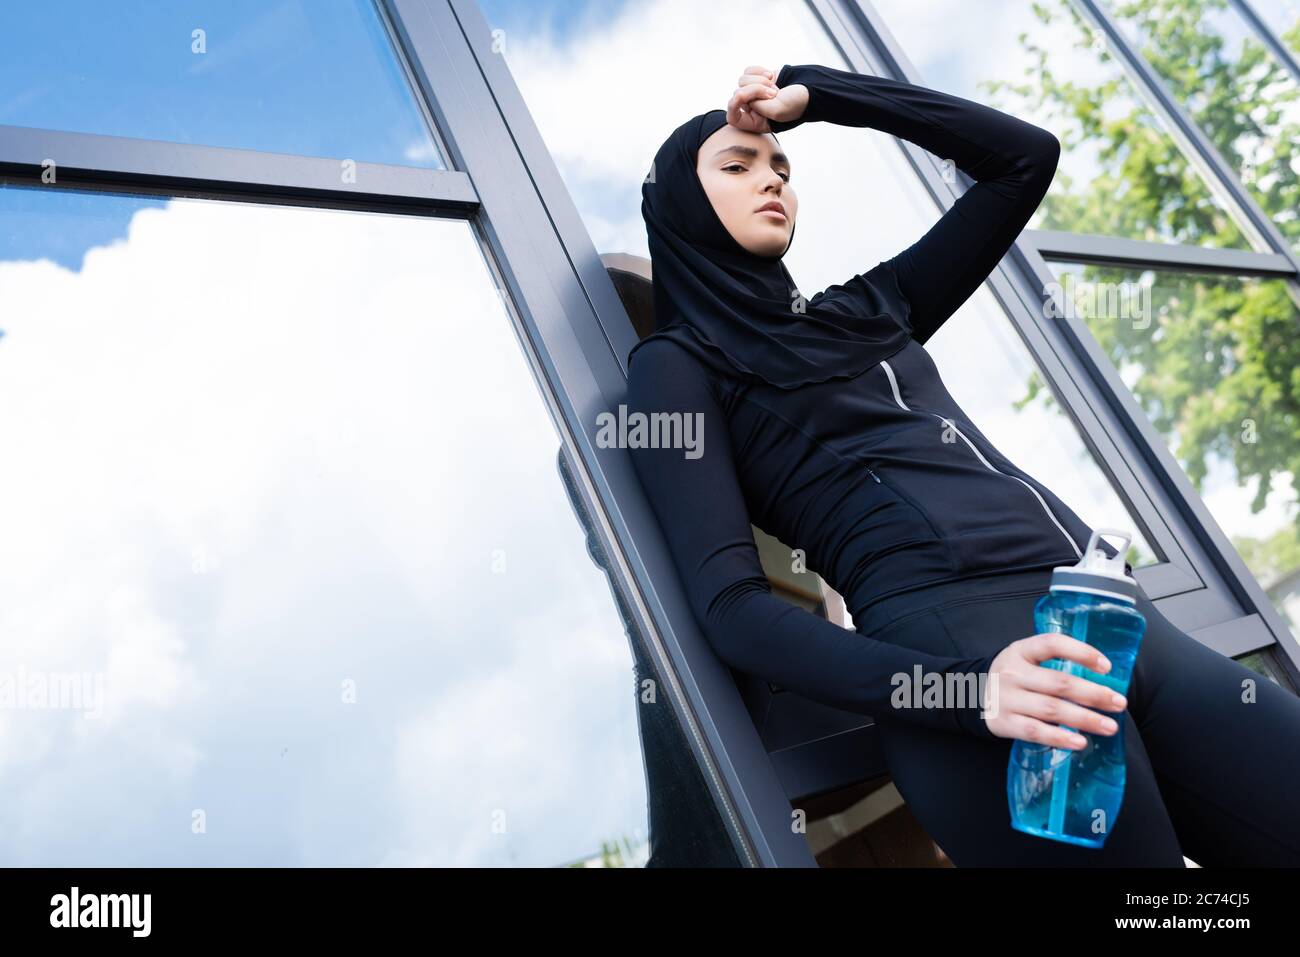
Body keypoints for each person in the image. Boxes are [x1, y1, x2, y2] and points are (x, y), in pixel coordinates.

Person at [622, 62, 1300, 866]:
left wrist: (819, 97)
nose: (772, 180)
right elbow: (733, 608)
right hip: (970, 659)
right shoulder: (675, 366)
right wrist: (964, 690)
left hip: (1114, 615)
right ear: (678, 201)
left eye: (781, 168)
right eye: (737, 166)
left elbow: (1024, 158)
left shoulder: (871, 307)